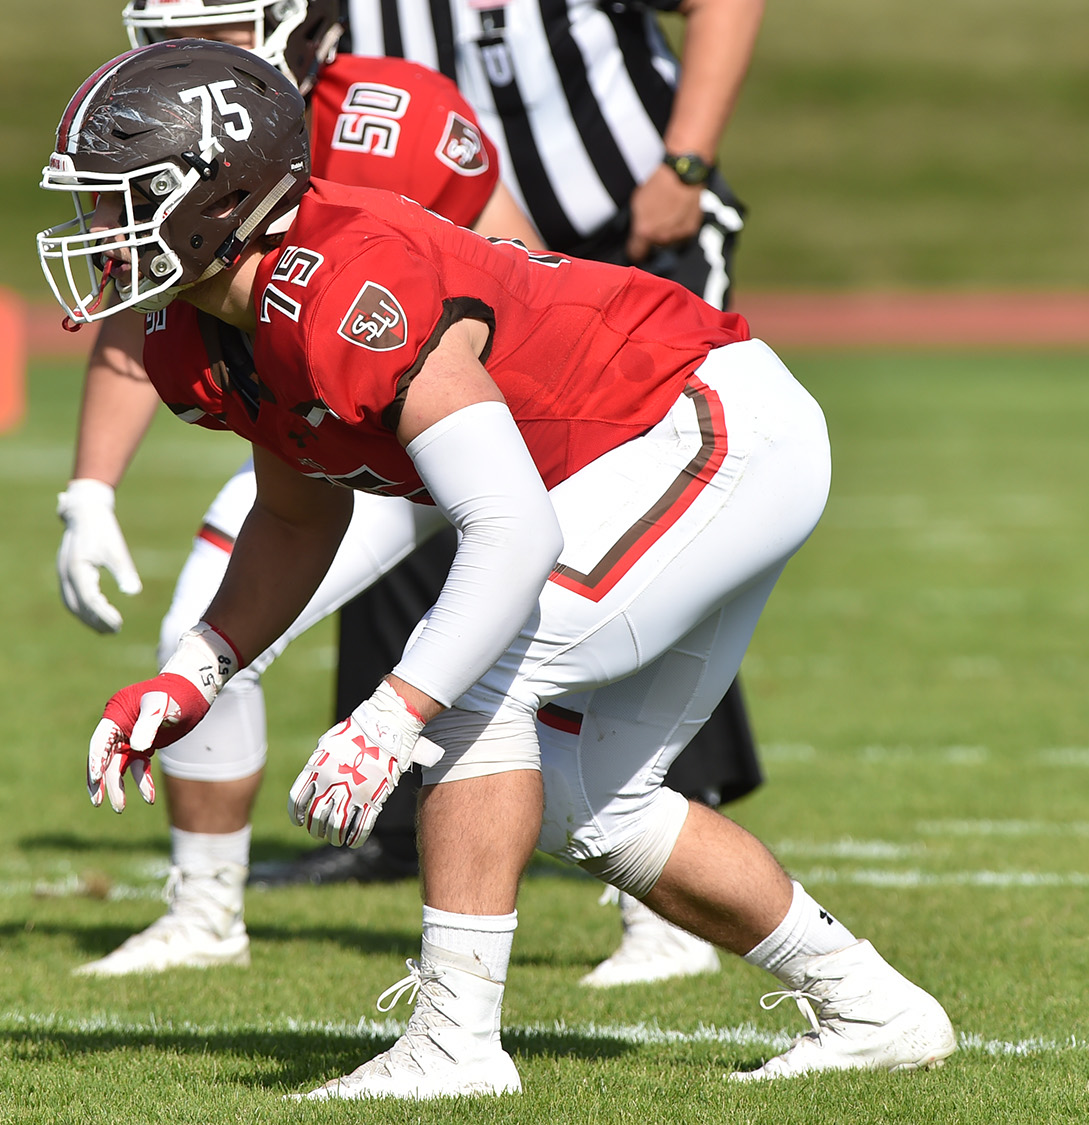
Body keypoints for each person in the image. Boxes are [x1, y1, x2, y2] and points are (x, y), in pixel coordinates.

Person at [42, 40, 956, 1097]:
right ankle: (871, 1005)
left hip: (698, 422)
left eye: (121, 201)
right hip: (644, 451)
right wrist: (192, 673)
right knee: (594, 805)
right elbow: (297, 518)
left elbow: (511, 533)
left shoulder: (341, 284)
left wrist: (390, 715)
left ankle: (453, 1046)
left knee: (480, 688)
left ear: (219, 195)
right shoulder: (199, 332)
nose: (97, 233)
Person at [52, 0, 538, 977]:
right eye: (154, 35)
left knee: (548, 670)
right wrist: (90, 492)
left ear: (293, 22)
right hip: (334, 446)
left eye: (214, 29)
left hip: (473, 422)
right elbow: (136, 300)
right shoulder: (161, 133)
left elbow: (519, 269)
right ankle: (203, 911)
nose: (171, 57)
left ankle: (654, 919)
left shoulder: (392, 116)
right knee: (199, 631)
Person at [330, 0, 770, 985]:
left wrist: (685, 162)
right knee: (429, 496)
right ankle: (403, 826)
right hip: (472, 265)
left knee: (631, 533)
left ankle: (655, 874)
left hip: (628, 238)